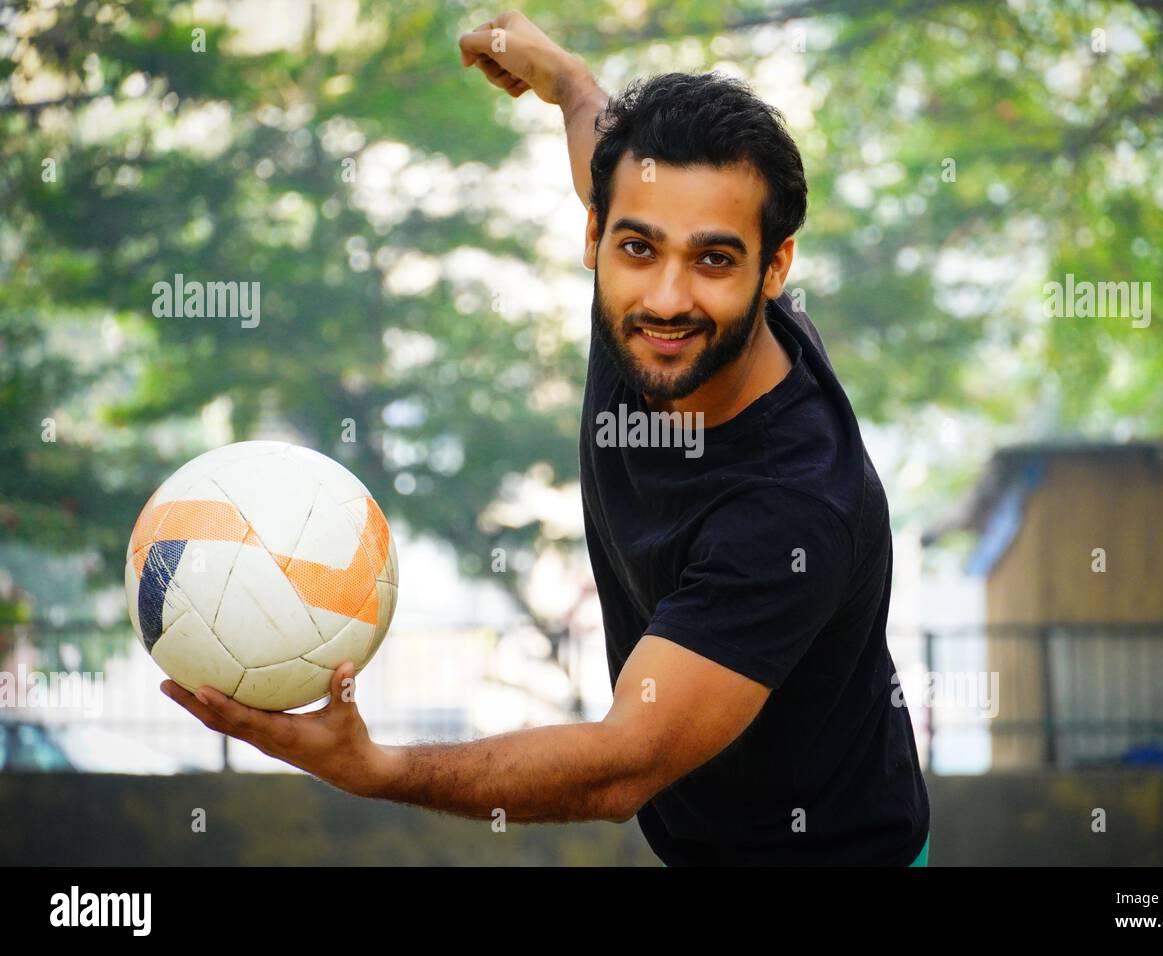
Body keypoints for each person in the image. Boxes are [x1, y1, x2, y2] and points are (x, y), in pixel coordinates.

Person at [163, 9, 930, 867]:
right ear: (596, 236)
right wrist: (561, 78)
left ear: (773, 268)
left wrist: (374, 769)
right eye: (639, 245)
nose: (669, 296)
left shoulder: (790, 514)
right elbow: (601, 143)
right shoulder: (637, 294)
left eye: (716, 260)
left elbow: (617, 769)